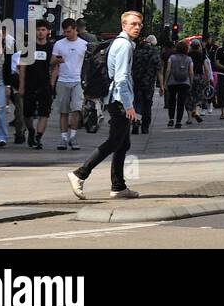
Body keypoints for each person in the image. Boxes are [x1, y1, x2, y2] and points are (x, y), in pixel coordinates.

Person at [67, 11, 142, 200]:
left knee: (123, 144)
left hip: (114, 99)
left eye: (139, 24)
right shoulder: (124, 45)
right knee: (113, 143)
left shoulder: (119, 42)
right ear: (123, 25)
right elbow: (122, 78)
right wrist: (128, 105)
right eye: (133, 24)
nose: (137, 27)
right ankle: (80, 174)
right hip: (119, 101)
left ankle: (118, 186)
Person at [51, 19, 88, 152]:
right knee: (63, 110)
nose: (66, 34)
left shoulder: (84, 44)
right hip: (62, 80)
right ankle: (64, 138)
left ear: (75, 29)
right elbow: (52, 62)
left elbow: (88, 62)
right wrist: (56, 61)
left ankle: (73, 136)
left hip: (77, 80)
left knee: (77, 109)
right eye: (65, 32)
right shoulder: (59, 44)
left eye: (69, 31)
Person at [18, 21, 55, 149]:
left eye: (43, 29)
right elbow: (22, 66)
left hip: (44, 84)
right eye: (38, 29)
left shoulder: (52, 48)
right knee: (27, 112)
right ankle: (31, 130)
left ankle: (38, 137)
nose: (40, 32)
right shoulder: (28, 47)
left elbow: (56, 65)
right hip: (30, 84)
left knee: (44, 113)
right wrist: (21, 85)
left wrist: (52, 83)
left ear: (48, 32)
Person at [131, 34, 162, 135]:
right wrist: (161, 85)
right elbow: (159, 71)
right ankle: (145, 127)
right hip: (148, 83)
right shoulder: (155, 53)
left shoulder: (137, 51)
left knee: (137, 103)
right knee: (147, 105)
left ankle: (136, 121)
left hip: (137, 81)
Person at [165, 40, 194, 128]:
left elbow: (168, 70)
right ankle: (178, 121)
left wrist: (165, 82)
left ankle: (171, 119)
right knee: (181, 102)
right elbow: (191, 72)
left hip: (172, 82)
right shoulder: (189, 59)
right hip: (184, 82)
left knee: (172, 101)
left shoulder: (172, 57)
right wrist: (191, 82)